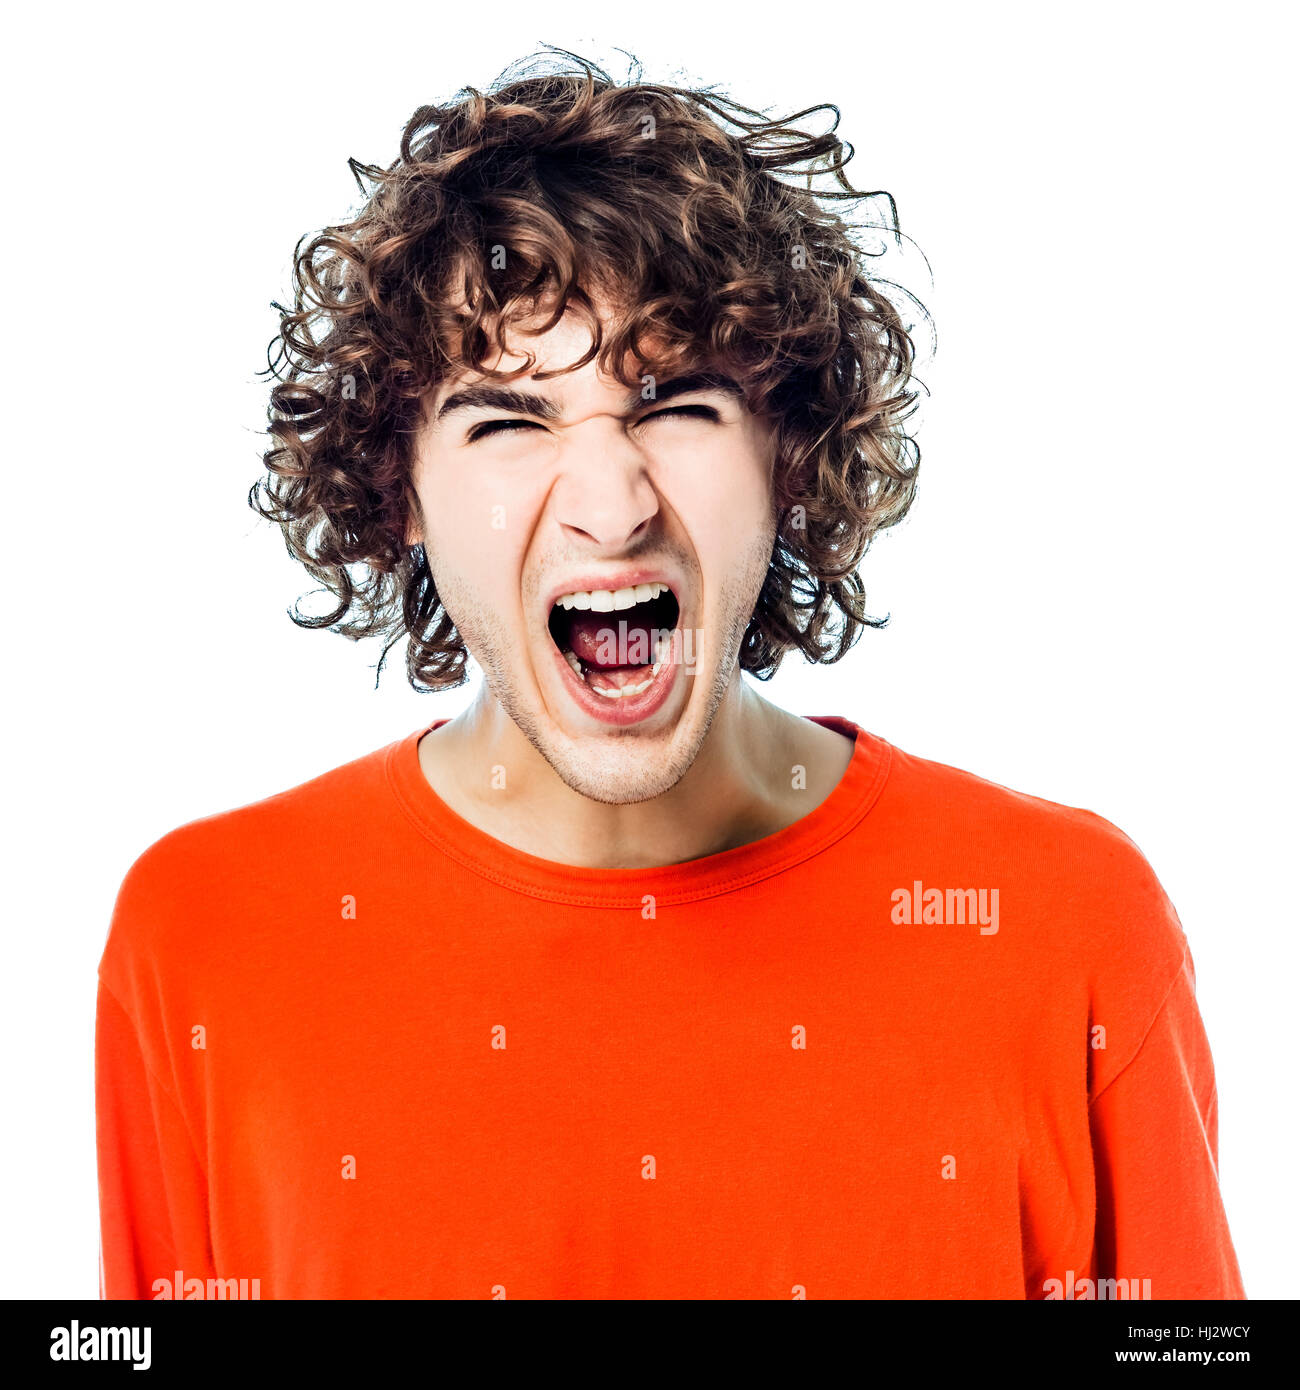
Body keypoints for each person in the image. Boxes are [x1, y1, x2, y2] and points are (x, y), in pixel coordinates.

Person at [95, 51, 1244, 1300]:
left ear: (787, 459)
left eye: (677, 404)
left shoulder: (1066, 927)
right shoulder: (205, 939)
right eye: (507, 420)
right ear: (397, 491)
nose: (608, 503)